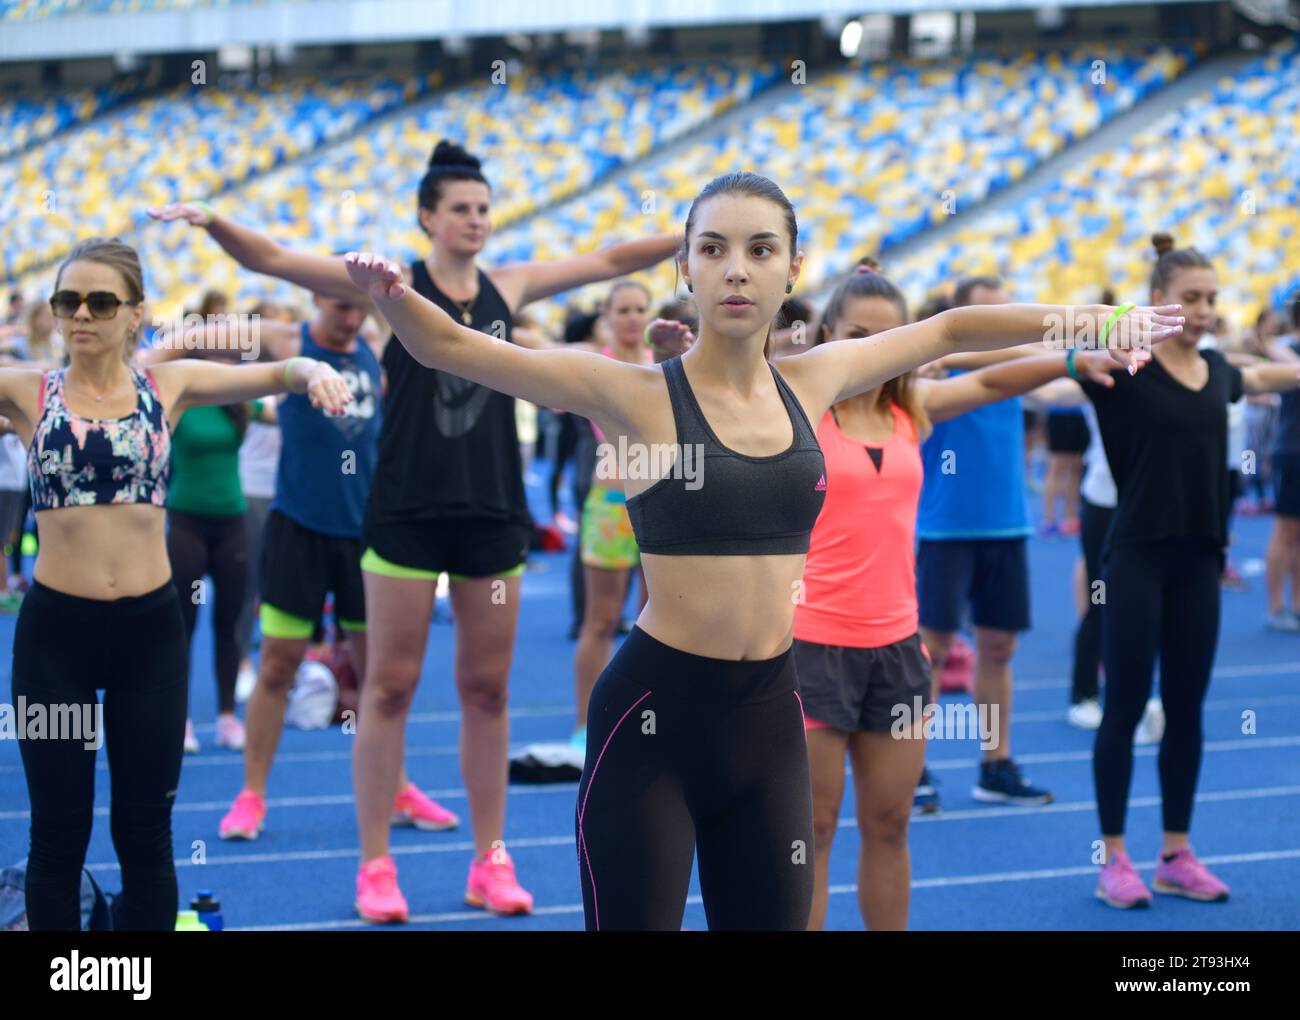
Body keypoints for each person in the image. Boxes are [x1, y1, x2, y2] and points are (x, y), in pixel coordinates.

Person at [340, 170, 1180, 930]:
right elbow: (452, 347)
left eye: (759, 249)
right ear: (686, 270)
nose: (736, 268)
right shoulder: (631, 394)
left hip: (771, 718)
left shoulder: (816, 378)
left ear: (792, 267)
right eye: (714, 249)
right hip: (652, 723)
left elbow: (950, 329)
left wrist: (1097, 318)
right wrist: (394, 297)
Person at [149, 138, 680, 921]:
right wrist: (212, 220)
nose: (476, 220)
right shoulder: (387, 285)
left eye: (484, 208)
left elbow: (607, 260)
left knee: (487, 690)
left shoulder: (512, 284)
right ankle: (374, 864)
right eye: (460, 208)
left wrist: (698, 233)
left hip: (494, 512)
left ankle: (490, 862)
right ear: (427, 217)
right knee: (388, 686)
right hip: (404, 512)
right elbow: (274, 260)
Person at [3, 236, 351, 930]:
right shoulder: (26, 390)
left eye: (102, 302)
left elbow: (279, 371)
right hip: (56, 641)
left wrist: (314, 370)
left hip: (149, 637)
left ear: (136, 314)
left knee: (144, 834)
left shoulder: (170, 385)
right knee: (57, 837)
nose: (83, 315)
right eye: (68, 300)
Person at [798, 261, 1135, 930]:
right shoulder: (799, 409)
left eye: (886, 338)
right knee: (811, 834)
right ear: (827, 335)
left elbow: (987, 378)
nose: (870, 351)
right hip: (810, 650)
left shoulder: (909, 410)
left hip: (895, 650)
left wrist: (1069, 358)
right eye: (856, 335)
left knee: (890, 824)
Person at [1074, 233, 1300, 908]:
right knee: (1124, 708)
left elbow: (1260, 377)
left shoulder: (1221, 371)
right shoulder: (1124, 370)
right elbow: (1049, 377)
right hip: (1136, 556)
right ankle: (1113, 857)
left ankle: (1176, 852)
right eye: (1189, 299)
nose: (1202, 311)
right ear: (1156, 302)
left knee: (1187, 710)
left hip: (1202, 559)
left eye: (1211, 299)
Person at [213, 287, 458, 840]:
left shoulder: (375, 343)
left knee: (380, 676)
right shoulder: (287, 340)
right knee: (277, 666)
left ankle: (396, 787)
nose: (350, 318)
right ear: (316, 298)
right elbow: (208, 335)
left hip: (367, 537)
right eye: (339, 306)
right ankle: (251, 795)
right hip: (298, 529)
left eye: (358, 307)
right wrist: (154, 353)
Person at [915, 276, 1053, 806]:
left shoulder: (1022, 367)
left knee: (999, 649)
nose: (1001, 323)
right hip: (945, 528)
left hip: (1007, 526)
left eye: (1006, 312)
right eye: (987, 316)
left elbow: (1060, 380)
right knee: (929, 653)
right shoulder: (938, 365)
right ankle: (914, 764)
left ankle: (996, 765)